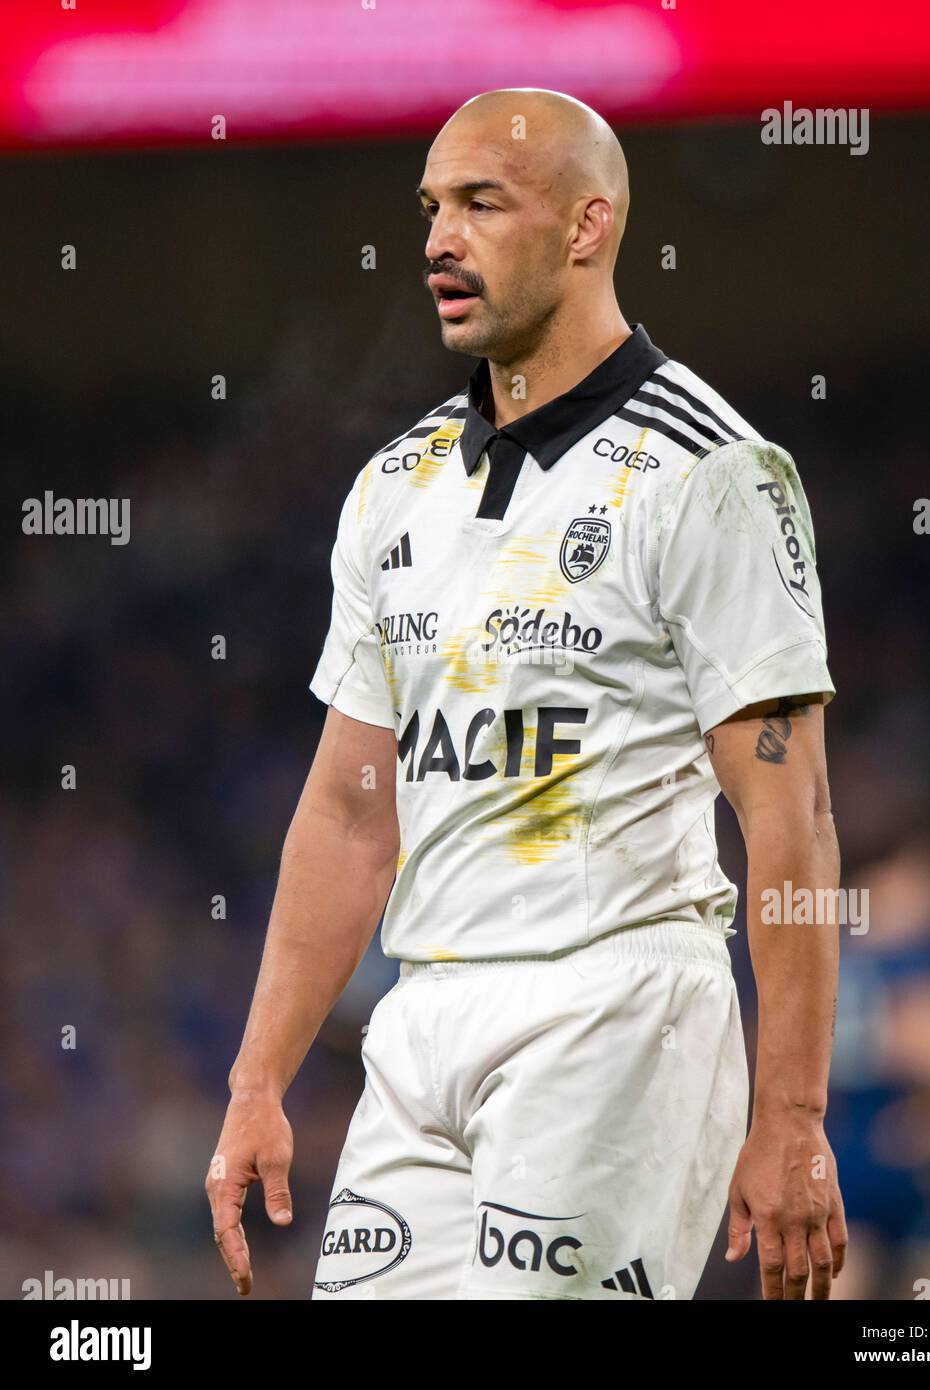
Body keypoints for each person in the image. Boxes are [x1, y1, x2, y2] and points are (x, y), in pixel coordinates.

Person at [206, 87, 847, 1301]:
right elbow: (350, 812)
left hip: (616, 1004)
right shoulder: (396, 486)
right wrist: (255, 1080)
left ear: (586, 225)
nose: (437, 239)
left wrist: (793, 1111)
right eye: (431, 208)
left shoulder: (712, 473)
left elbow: (791, 817)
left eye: (480, 204)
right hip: (423, 1018)